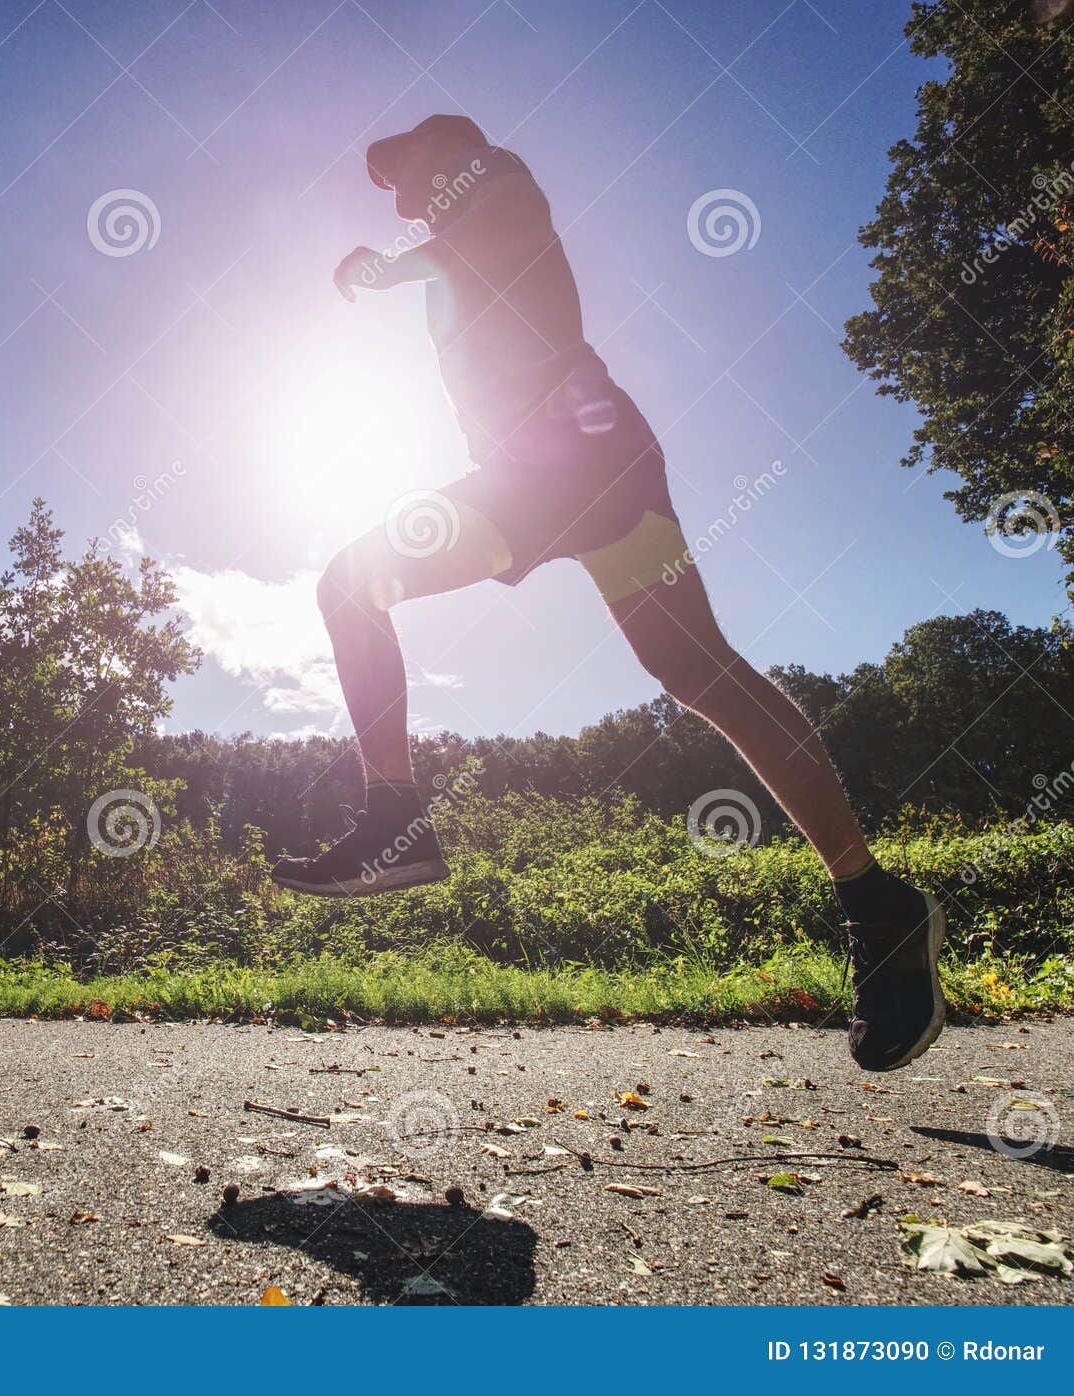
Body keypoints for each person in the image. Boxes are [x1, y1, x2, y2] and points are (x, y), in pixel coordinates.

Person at [269, 115, 945, 1071]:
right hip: (595, 456)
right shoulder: (455, 230)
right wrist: (406, 267)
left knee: (350, 581)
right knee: (699, 672)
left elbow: (479, 238)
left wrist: (388, 264)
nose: (400, 197)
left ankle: (395, 818)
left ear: (445, 153)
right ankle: (877, 903)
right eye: (388, 191)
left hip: (560, 456)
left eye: (404, 175)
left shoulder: (492, 179)